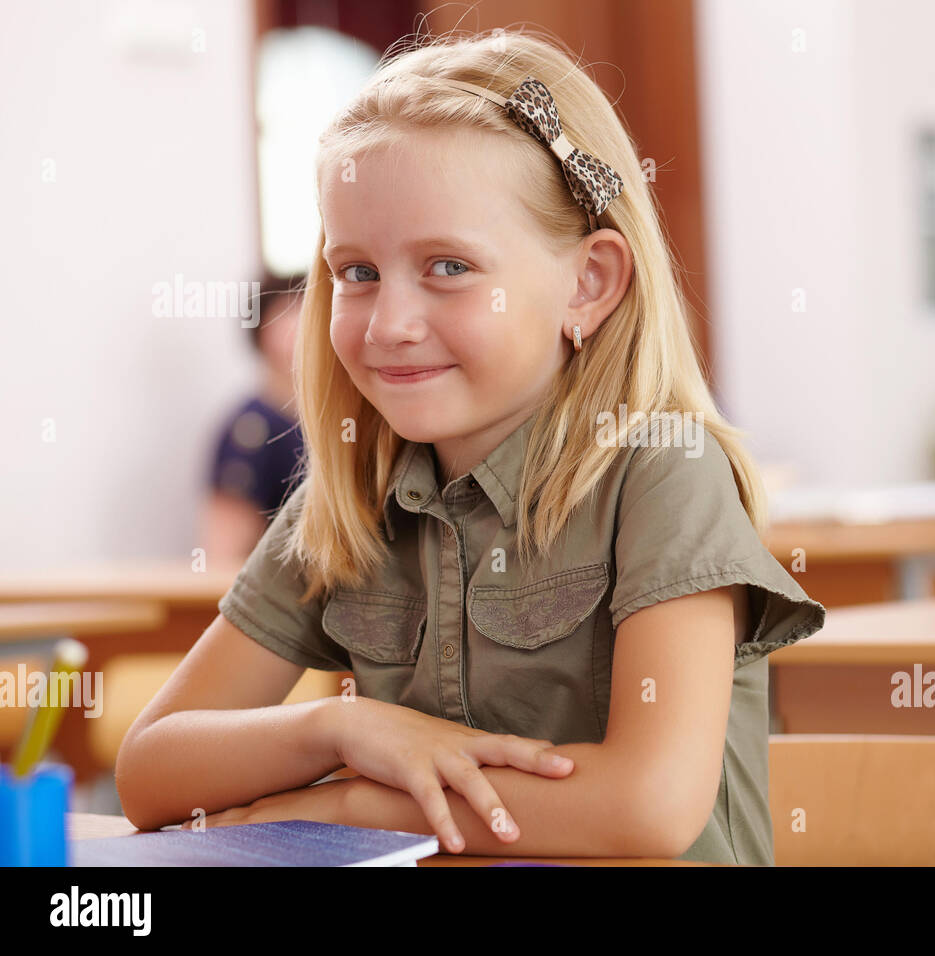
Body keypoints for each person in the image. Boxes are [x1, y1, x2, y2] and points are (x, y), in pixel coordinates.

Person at [115, 29, 825, 865]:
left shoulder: (664, 473)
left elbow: (647, 808)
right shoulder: (350, 494)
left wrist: (351, 804)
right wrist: (343, 727)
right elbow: (150, 773)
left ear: (588, 283)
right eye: (356, 272)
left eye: (449, 267)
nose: (389, 324)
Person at [202, 273, 306, 561]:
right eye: (291, 313)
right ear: (262, 331)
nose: (306, 326)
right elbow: (225, 549)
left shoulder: (337, 423)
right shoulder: (250, 428)